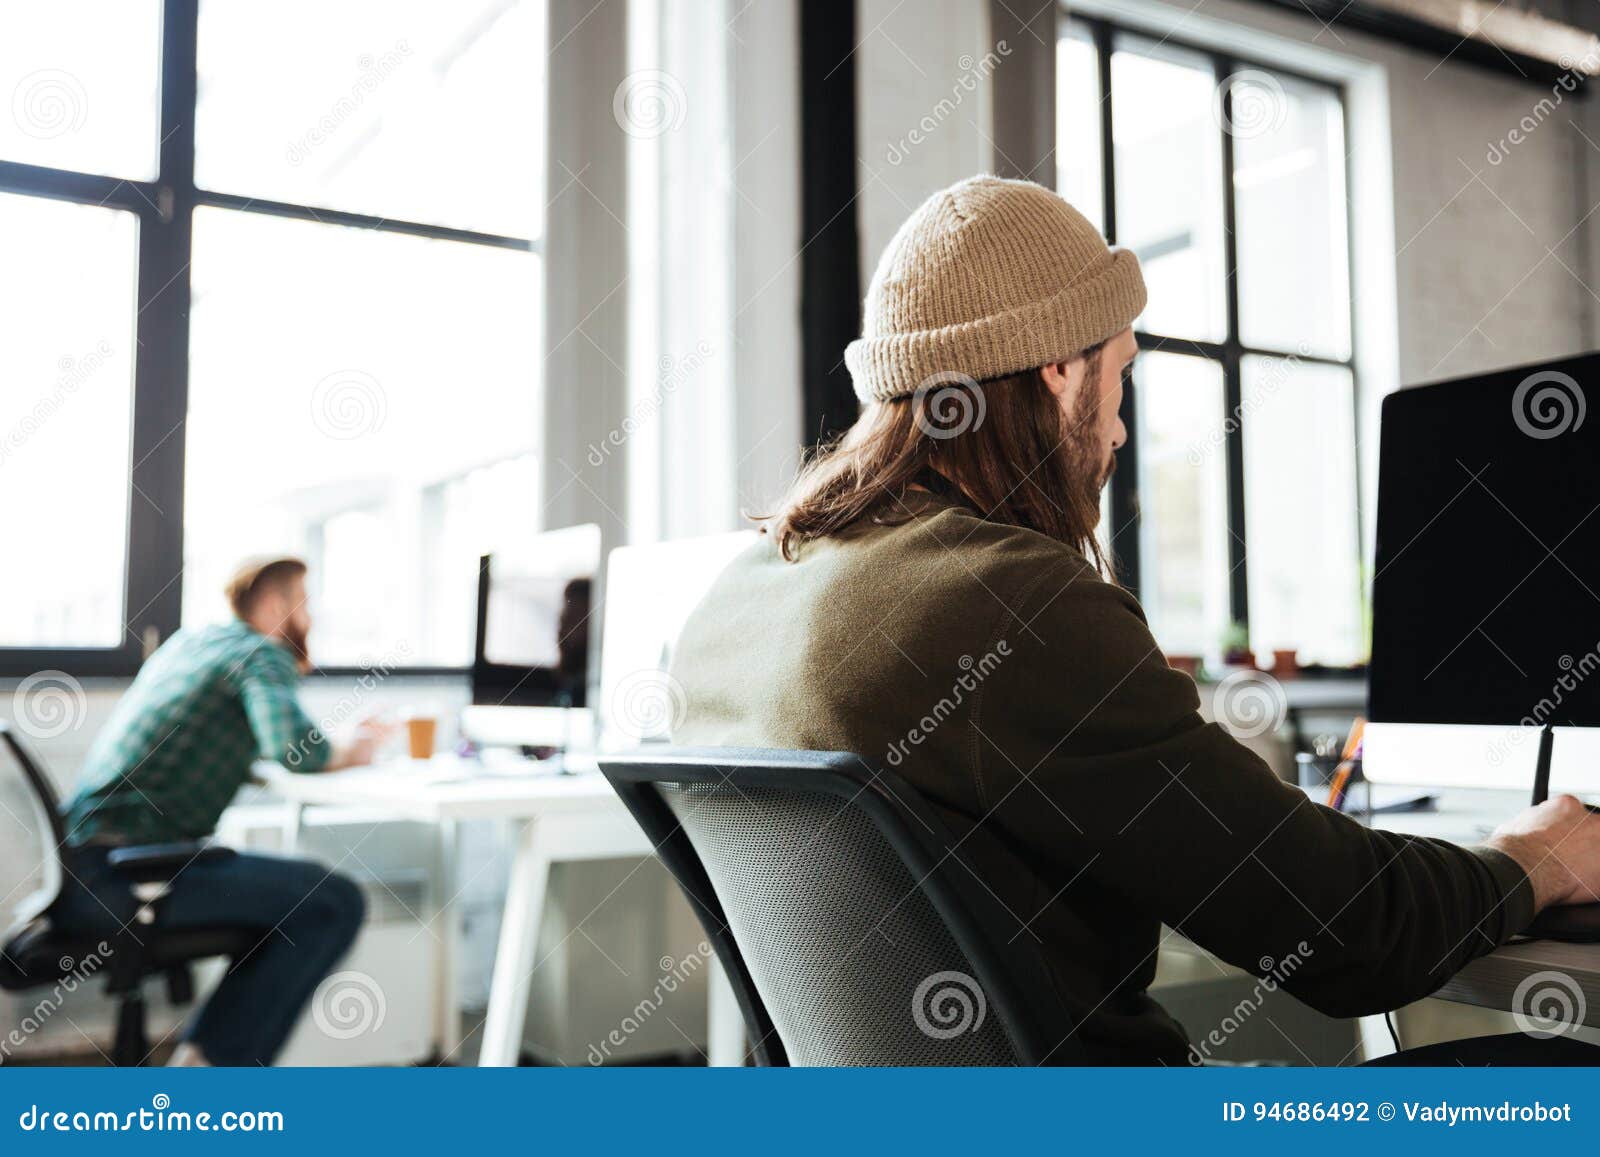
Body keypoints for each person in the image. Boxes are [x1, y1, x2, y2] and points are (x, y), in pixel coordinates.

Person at [669, 175, 1600, 1065]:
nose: (1118, 431)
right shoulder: (1012, 603)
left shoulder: (732, 606)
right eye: (1120, 373)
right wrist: (1534, 856)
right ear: (1059, 367)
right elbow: (1352, 930)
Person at [57, 556, 393, 1066]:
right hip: (125, 876)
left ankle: (204, 1062)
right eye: (305, 605)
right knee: (334, 901)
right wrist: (352, 751)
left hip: (81, 868)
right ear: (277, 605)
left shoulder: (194, 643)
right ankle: (208, 1076)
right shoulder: (261, 652)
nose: (310, 619)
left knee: (288, 904)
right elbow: (293, 748)